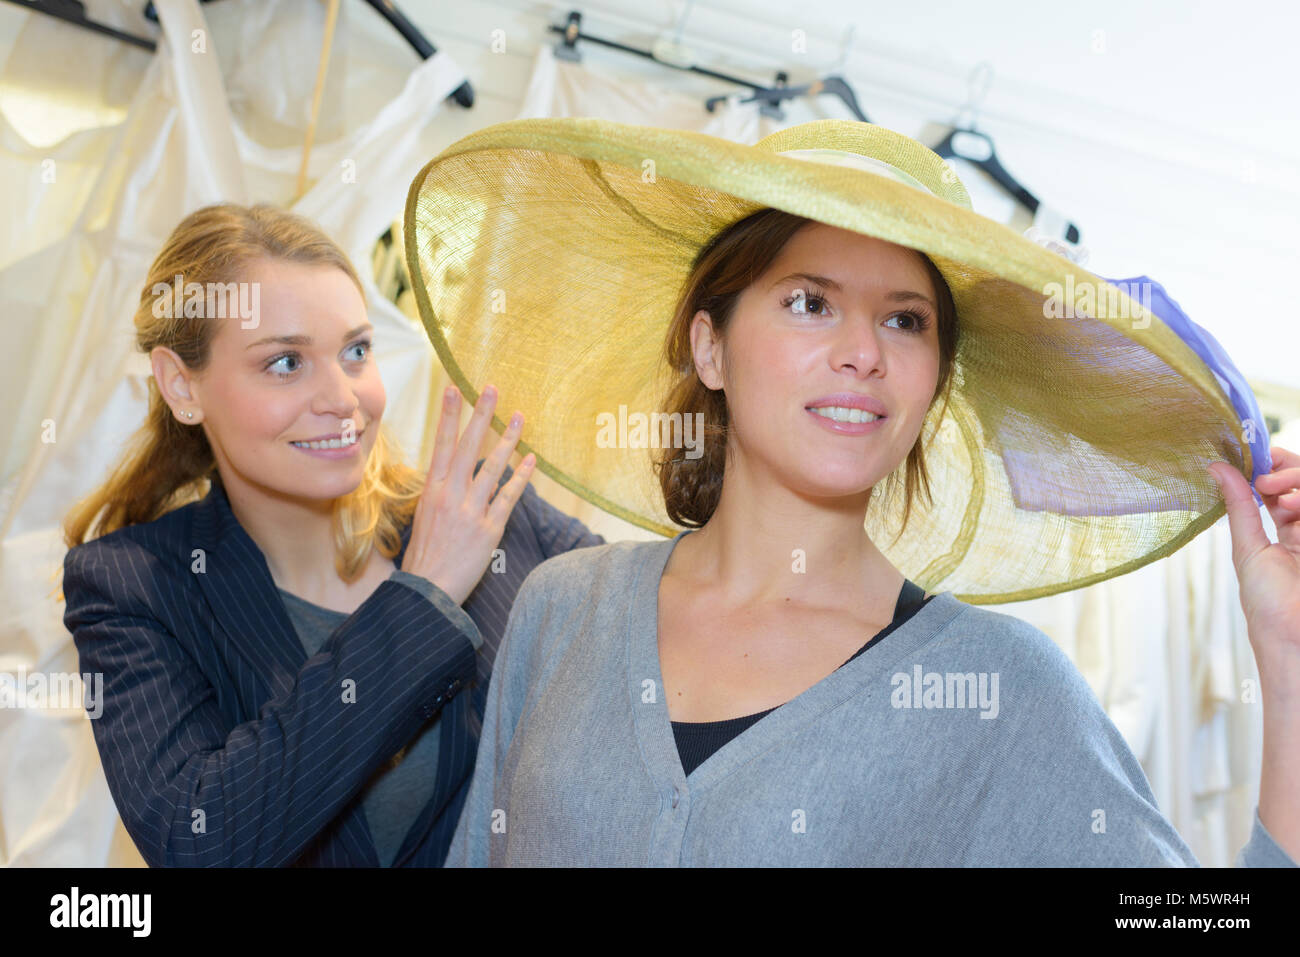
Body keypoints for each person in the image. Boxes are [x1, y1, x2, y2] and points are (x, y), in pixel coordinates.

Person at [419, 119, 1300, 866]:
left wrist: (1291, 673)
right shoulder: (564, 608)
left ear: (934, 380)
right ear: (709, 346)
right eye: (809, 301)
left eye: (904, 320)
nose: (863, 352)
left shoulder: (1000, 688)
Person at [59, 202, 604, 867]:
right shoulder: (133, 587)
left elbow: (663, 636)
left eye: (355, 350)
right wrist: (423, 596)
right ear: (181, 384)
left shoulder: (487, 514)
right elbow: (201, 841)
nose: (344, 398)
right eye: (286, 363)